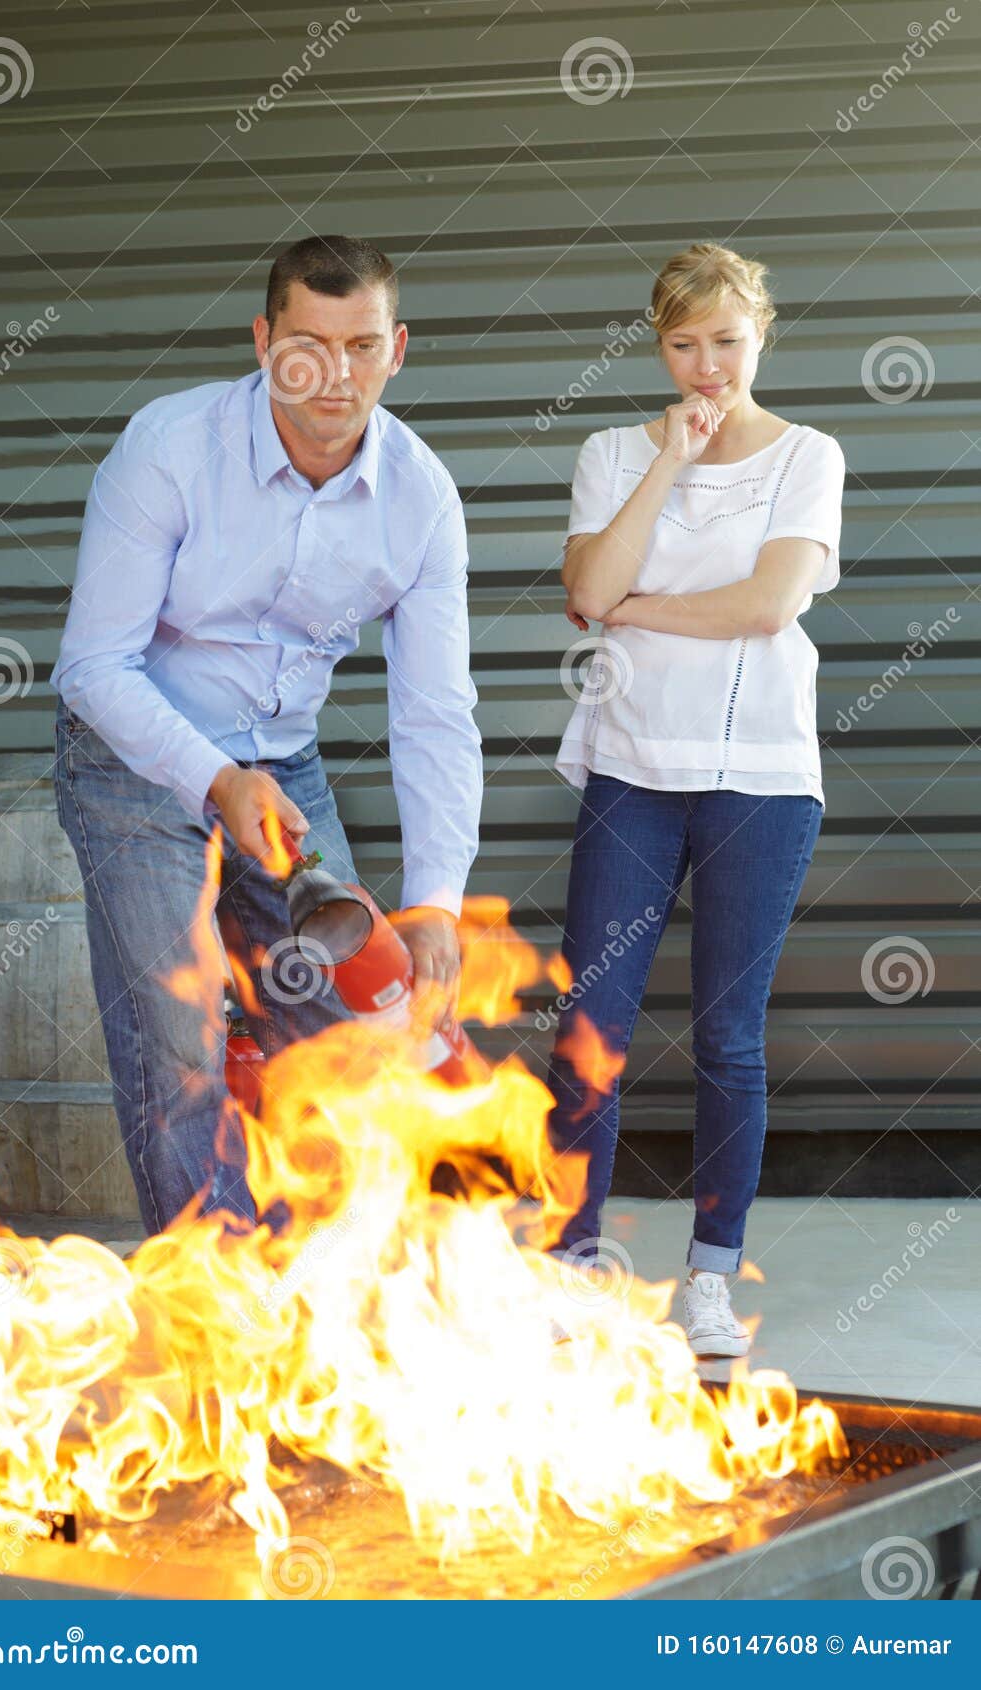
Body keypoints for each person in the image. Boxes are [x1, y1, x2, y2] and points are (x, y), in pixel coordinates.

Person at [51, 234, 482, 1237]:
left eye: (361, 346)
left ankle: (321, 1286)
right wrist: (214, 781)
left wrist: (434, 902)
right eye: (306, 346)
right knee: (184, 1039)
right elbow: (93, 668)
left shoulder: (421, 499)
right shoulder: (168, 448)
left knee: (343, 1032)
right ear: (262, 340)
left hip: (281, 758)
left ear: (398, 350)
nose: (333, 376)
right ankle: (217, 1301)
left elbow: (431, 713)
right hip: (134, 756)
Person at [544, 242, 846, 1358]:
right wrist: (666, 463)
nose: (706, 364)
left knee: (726, 1036)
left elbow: (768, 606)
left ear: (759, 332)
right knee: (587, 1027)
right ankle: (570, 1269)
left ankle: (710, 1275)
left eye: (725, 340)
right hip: (631, 768)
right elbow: (584, 587)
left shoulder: (808, 455)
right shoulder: (613, 448)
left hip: (758, 779)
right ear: (657, 342)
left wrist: (633, 608)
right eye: (683, 343)